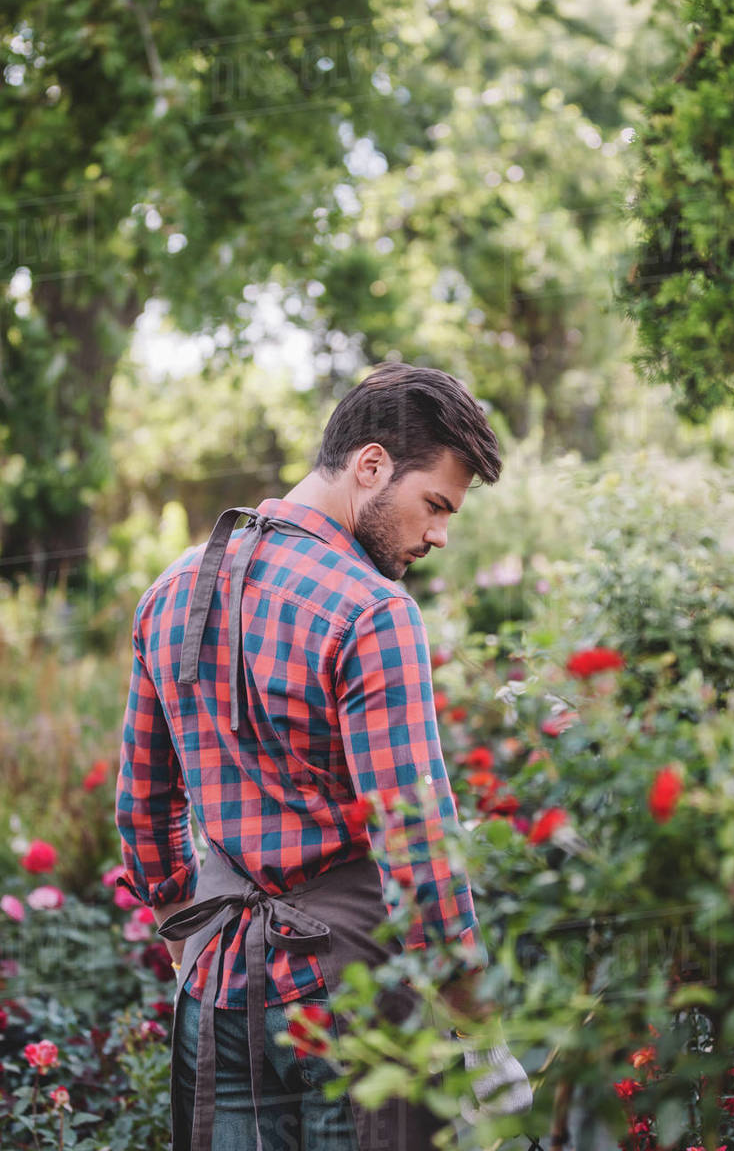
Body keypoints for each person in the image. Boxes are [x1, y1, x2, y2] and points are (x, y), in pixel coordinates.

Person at [115, 362, 531, 1151]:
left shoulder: (167, 594)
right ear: (370, 465)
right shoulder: (372, 609)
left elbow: (144, 815)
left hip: (216, 995)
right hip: (350, 998)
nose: (439, 535)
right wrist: (481, 1033)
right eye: (435, 504)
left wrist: (189, 951)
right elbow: (416, 843)